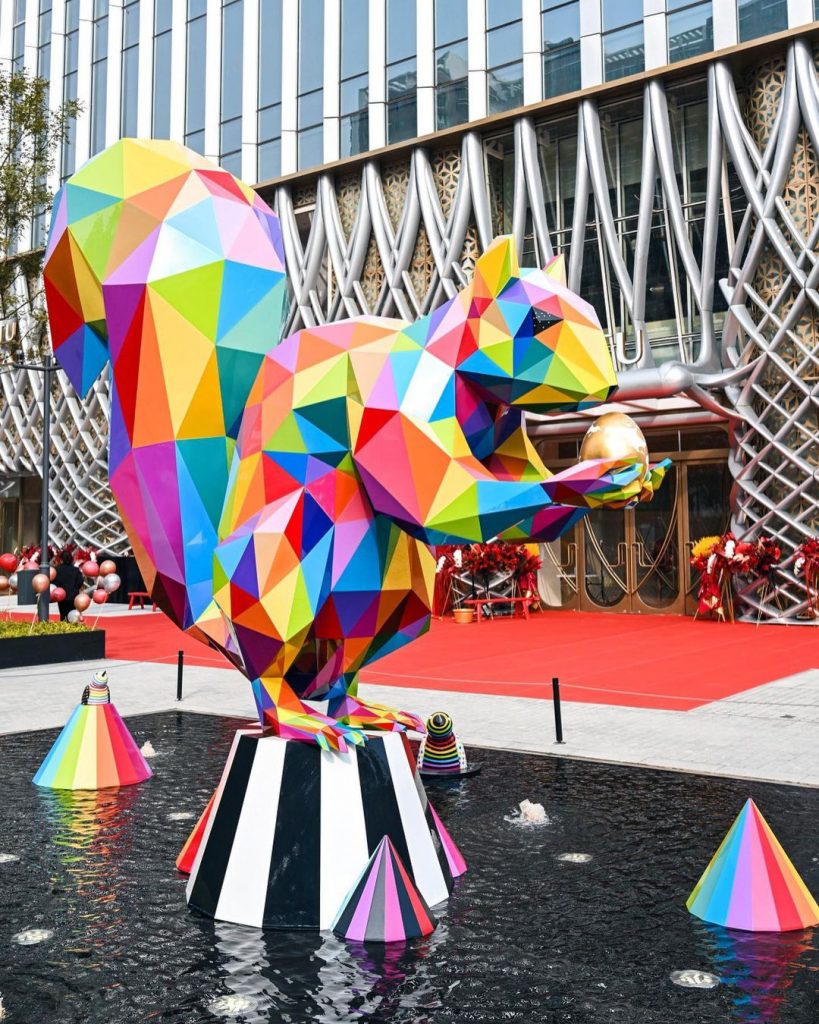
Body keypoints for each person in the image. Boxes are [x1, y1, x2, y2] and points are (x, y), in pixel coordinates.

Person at [54, 550, 84, 621]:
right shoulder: (75, 570)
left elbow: (54, 581)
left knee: (63, 614)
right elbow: (80, 581)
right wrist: (75, 588)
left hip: (61, 596)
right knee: (73, 615)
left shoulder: (57, 570)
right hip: (73, 595)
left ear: (61, 559)